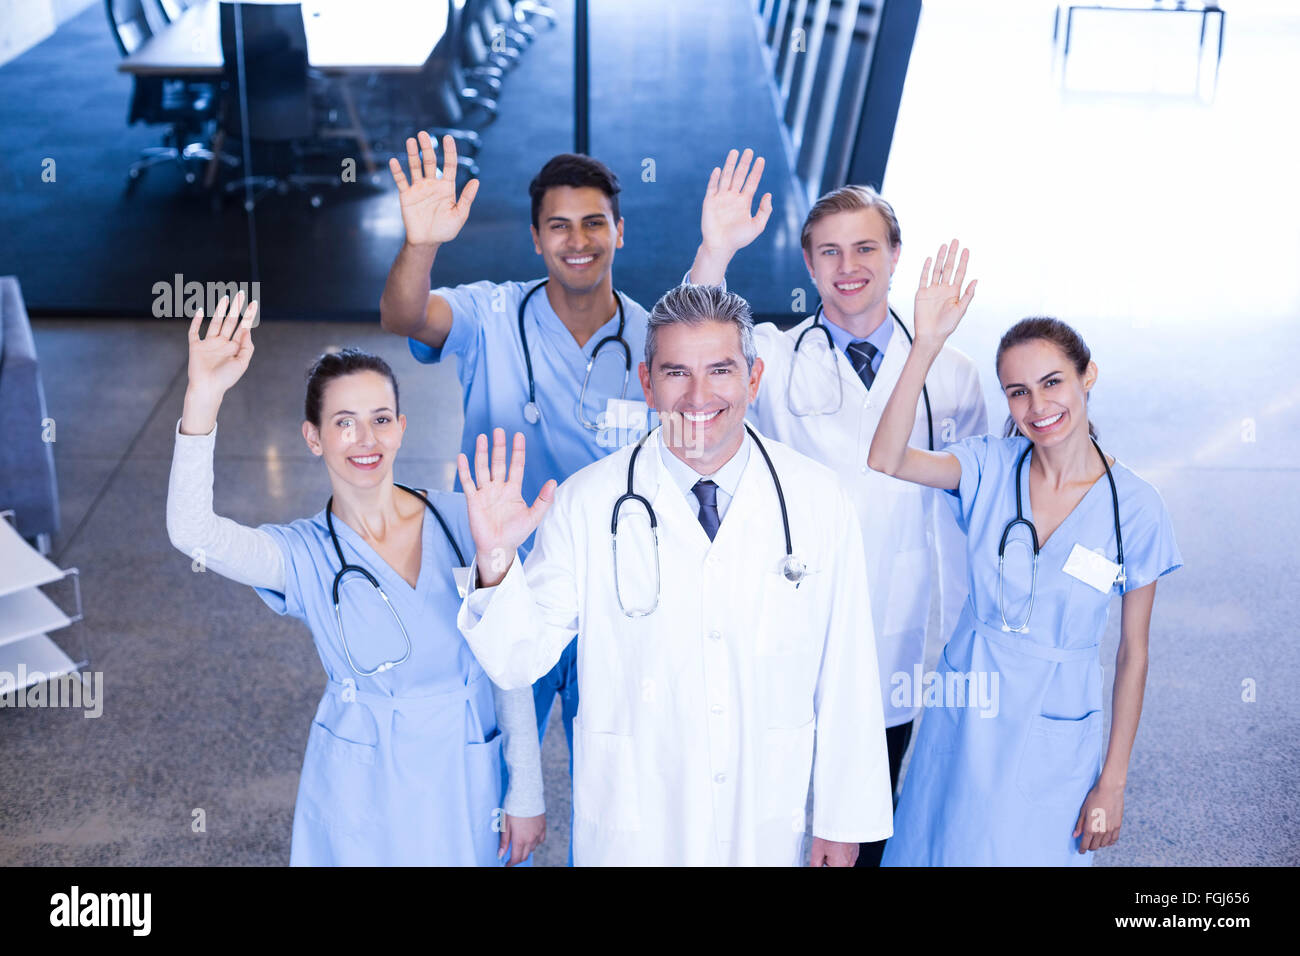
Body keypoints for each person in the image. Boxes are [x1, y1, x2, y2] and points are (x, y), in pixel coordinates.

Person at [451, 284, 894, 866]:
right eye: (677, 372)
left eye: (721, 370)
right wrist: (496, 562)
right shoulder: (589, 501)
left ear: (753, 378)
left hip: (761, 814)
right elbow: (517, 660)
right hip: (636, 823)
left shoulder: (817, 499)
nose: (699, 396)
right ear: (646, 383)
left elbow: (848, 670)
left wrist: (843, 820)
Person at [165, 293, 545, 866]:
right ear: (313, 438)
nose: (366, 440)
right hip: (361, 785)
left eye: (380, 420)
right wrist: (204, 395)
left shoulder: (466, 520)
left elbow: (509, 666)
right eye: (344, 423)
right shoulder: (304, 556)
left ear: (401, 428)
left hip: (464, 772)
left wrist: (526, 790)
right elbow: (192, 530)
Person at [687, 163, 988, 866]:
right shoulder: (772, 352)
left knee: (864, 820)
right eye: (829, 251)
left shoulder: (953, 374)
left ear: (895, 257)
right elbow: (693, 343)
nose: (848, 267)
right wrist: (717, 250)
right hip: (786, 619)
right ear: (807, 264)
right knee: (772, 812)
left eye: (866, 249)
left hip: (898, 625)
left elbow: (977, 500)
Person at [378, 134, 656, 859]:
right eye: (559, 225)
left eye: (595, 222)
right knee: (503, 794)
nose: (578, 240)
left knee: (619, 792)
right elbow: (406, 317)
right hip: (506, 589)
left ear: (620, 232)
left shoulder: (655, 338)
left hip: (612, 596)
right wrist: (420, 246)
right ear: (536, 239)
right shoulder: (491, 315)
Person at [867, 243, 1183, 865]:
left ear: (1087, 376)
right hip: (968, 705)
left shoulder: (1136, 510)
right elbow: (886, 457)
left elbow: (1134, 654)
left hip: (1057, 721)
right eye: (1018, 392)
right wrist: (924, 345)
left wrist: (1113, 780)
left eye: (1052, 382)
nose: (1038, 407)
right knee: (940, 847)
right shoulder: (987, 465)